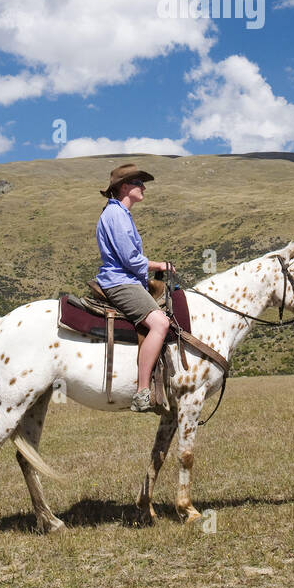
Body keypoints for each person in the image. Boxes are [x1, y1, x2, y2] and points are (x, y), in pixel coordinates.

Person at [95, 164, 170, 412]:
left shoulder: (120, 214)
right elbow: (130, 258)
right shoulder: (116, 215)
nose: (144, 187)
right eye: (139, 183)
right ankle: (142, 392)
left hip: (128, 279)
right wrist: (159, 264)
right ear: (125, 186)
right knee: (160, 323)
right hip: (121, 282)